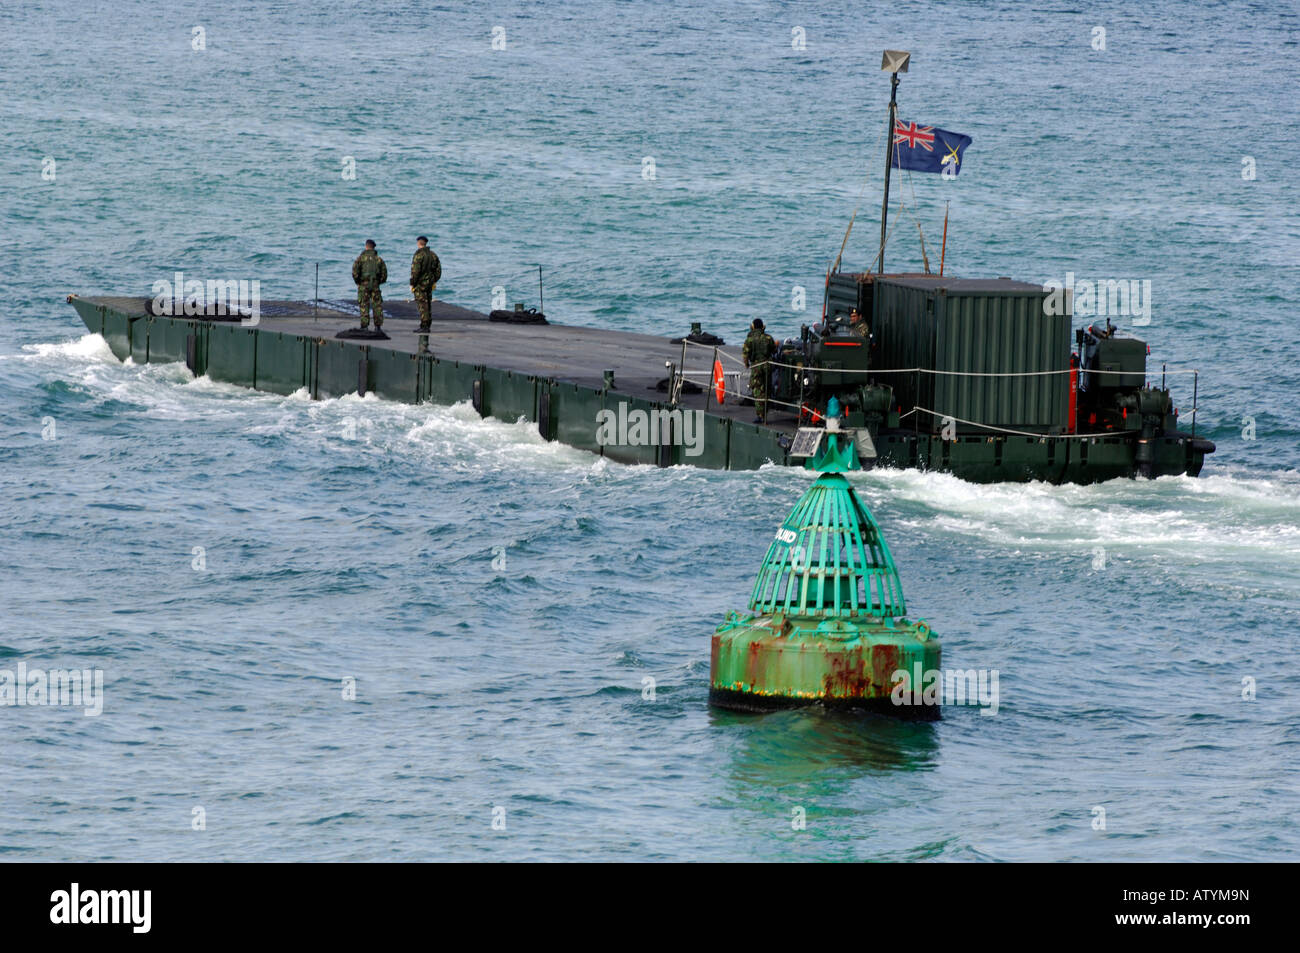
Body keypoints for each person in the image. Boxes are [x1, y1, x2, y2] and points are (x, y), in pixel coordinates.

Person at [742, 318, 777, 423]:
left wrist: (747, 364)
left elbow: (745, 355)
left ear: (752, 326)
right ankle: (765, 413)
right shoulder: (768, 338)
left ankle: (760, 415)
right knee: (767, 389)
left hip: (757, 367)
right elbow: (774, 350)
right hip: (767, 366)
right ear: (762, 327)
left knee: (758, 391)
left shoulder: (750, 339)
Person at [352, 240, 388, 330]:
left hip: (363, 284)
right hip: (375, 285)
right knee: (377, 305)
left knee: (364, 304)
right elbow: (384, 275)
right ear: (374, 247)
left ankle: (364, 326)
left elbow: (355, 272)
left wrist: (358, 282)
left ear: (366, 247)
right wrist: (378, 282)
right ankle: (378, 326)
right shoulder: (379, 259)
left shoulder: (360, 258)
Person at [410, 236, 441, 332]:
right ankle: (427, 325)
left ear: (418, 243)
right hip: (429, 284)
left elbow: (415, 272)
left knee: (422, 305)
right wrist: (433, 280)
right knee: (428, 304)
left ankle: (424, 326)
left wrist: (412, 283)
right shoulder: (433, 255)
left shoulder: (418, 255)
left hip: (420, 284)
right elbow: (438, 270)